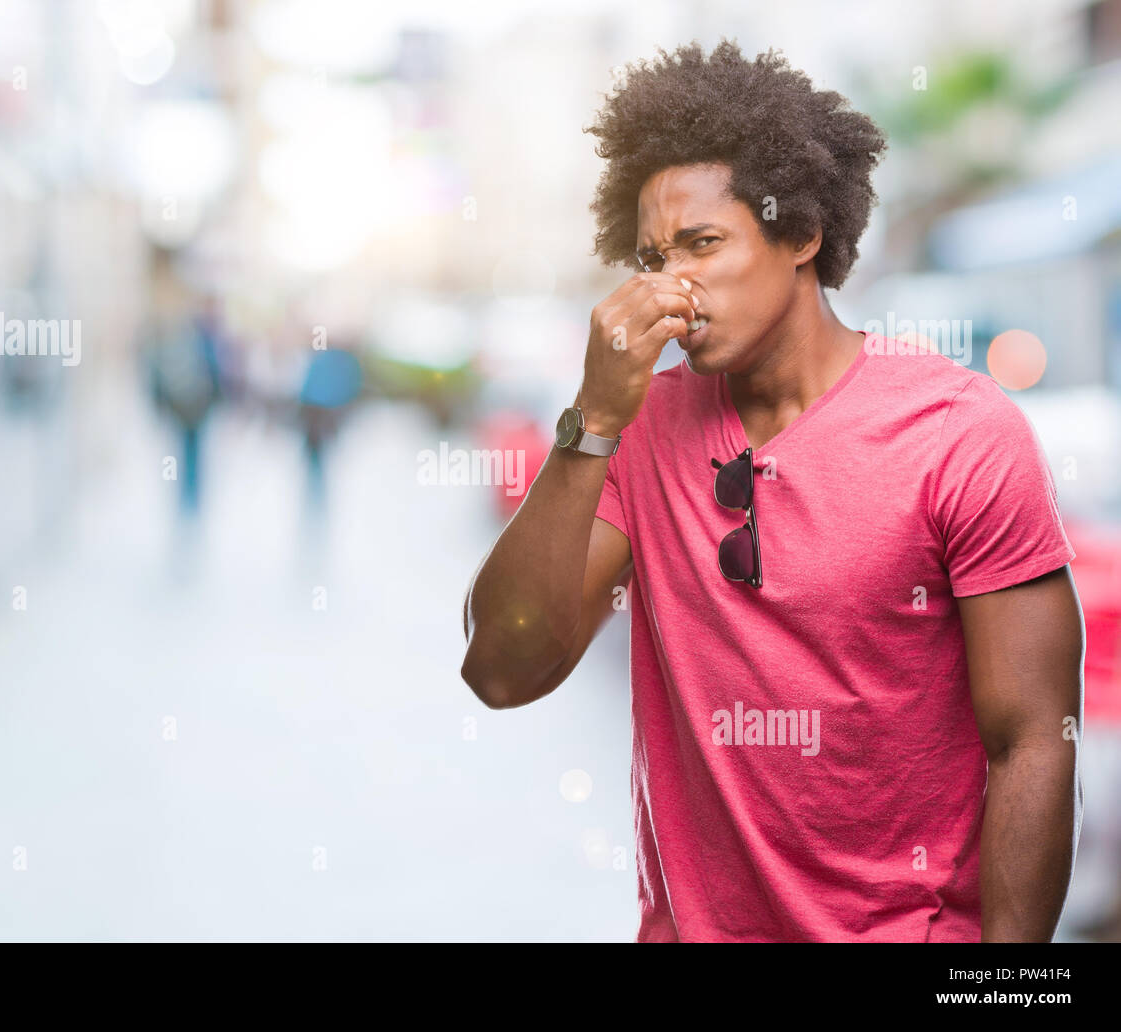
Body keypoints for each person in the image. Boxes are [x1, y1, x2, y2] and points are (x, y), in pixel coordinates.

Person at [460, 40, 1084, 943]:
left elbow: (1032, 742)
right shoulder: (633, 432)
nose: (674, 283)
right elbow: (501, 669)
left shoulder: (961, 433)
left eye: (704, 243)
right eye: (652, 256)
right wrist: (591, 419)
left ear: (800, 234)